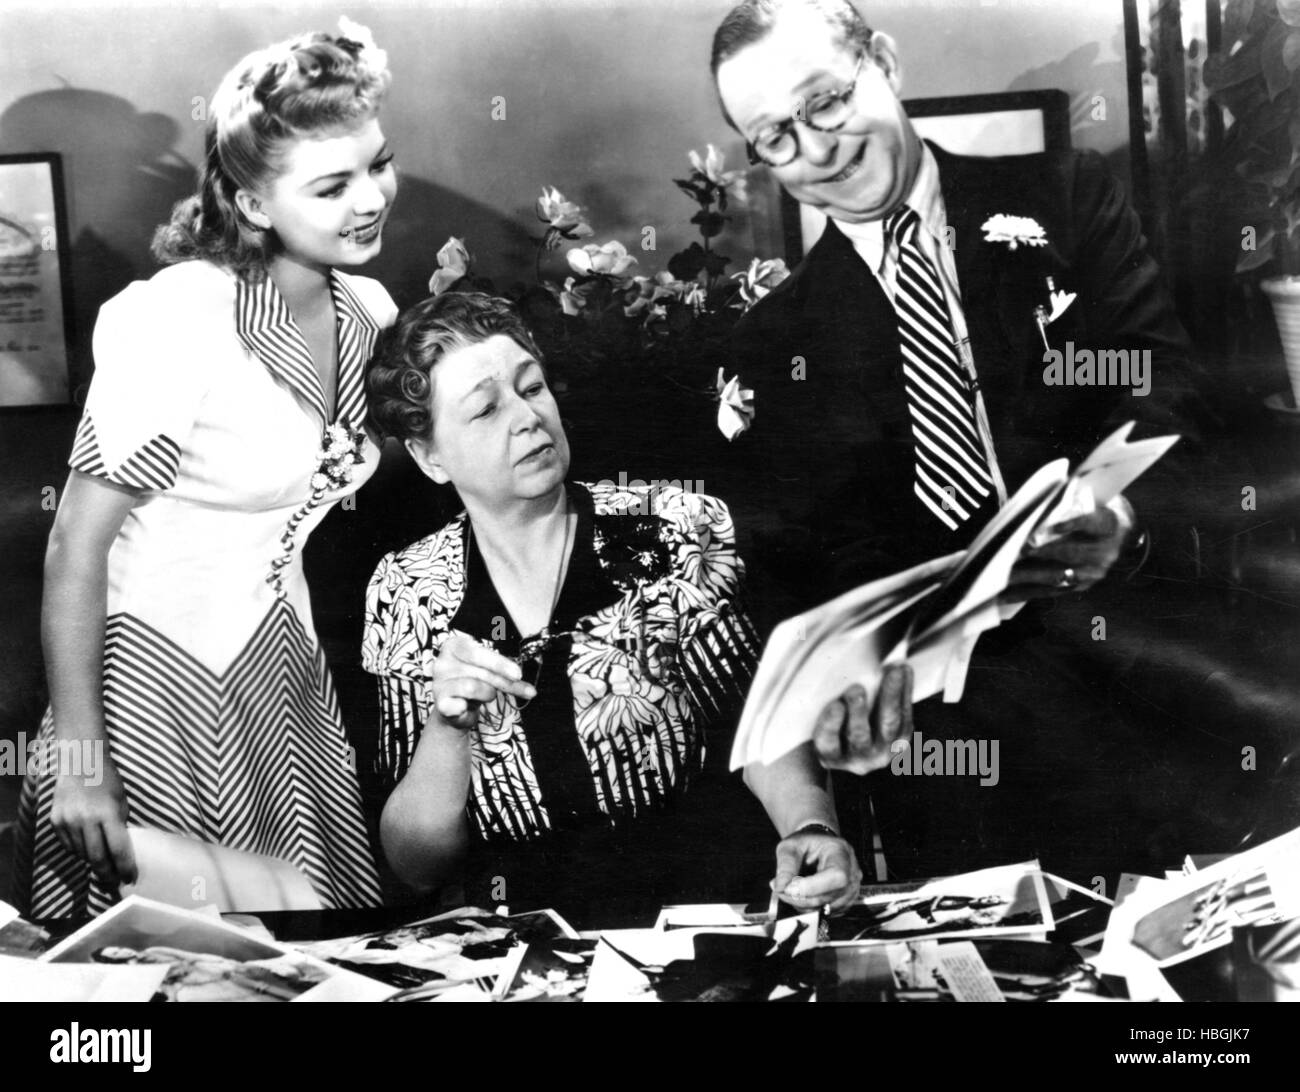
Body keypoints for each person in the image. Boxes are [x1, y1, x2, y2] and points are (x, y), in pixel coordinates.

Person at [709, 0, 1204, 874]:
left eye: (825, 101)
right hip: (948, 747)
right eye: (774, 137)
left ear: (885, 64)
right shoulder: (774, 340)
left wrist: (1119, 512)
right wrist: (839, 694)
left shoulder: (1066, 196)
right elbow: (808, 566)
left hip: (1138, 666)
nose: (816, 149)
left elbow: (1160, 387)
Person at [15, 24, 398, 918]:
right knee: (169, 971)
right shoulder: (180, 319)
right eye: (333, 185)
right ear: (257, 206)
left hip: (284, 680)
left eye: (378, 165)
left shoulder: (367, 309)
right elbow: (73, 548)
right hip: (147, 691)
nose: (371, 198)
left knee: (315, 959)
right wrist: (80, 762)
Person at [362, 291, 861, 920]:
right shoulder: (409, 589)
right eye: (486, 409)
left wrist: (810, 827)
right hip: (528, 942)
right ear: (431, 456)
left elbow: (756, 731)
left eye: (533, 387)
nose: (527, 417)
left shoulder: (672, 526)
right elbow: (417, 865)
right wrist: (448, 727)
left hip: (707, 912)